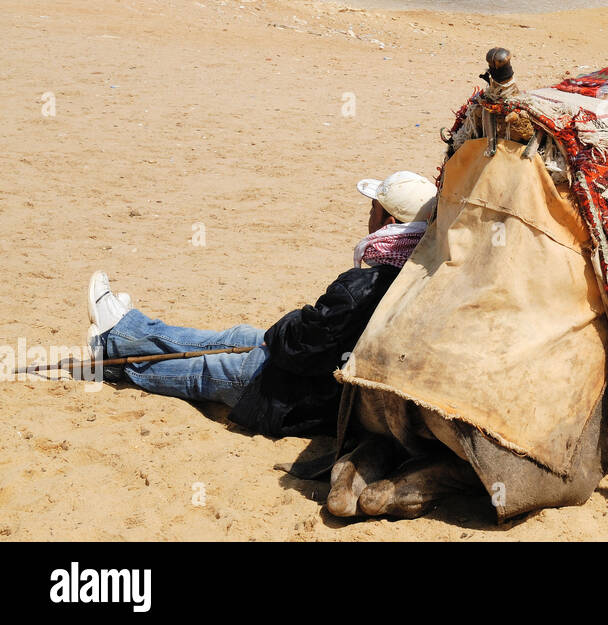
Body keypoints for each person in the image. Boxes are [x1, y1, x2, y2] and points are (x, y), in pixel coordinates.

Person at [84, 171, 437, 438]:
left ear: (389, 223)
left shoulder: (361, 287)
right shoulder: (421, 276)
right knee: (236, 336)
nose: (368, 215)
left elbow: (298, 344)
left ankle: (113, 356)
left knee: (212, 368)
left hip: (299, 397)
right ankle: (125, 331)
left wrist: (280, 329)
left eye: (373, 208)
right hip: (321, 385)